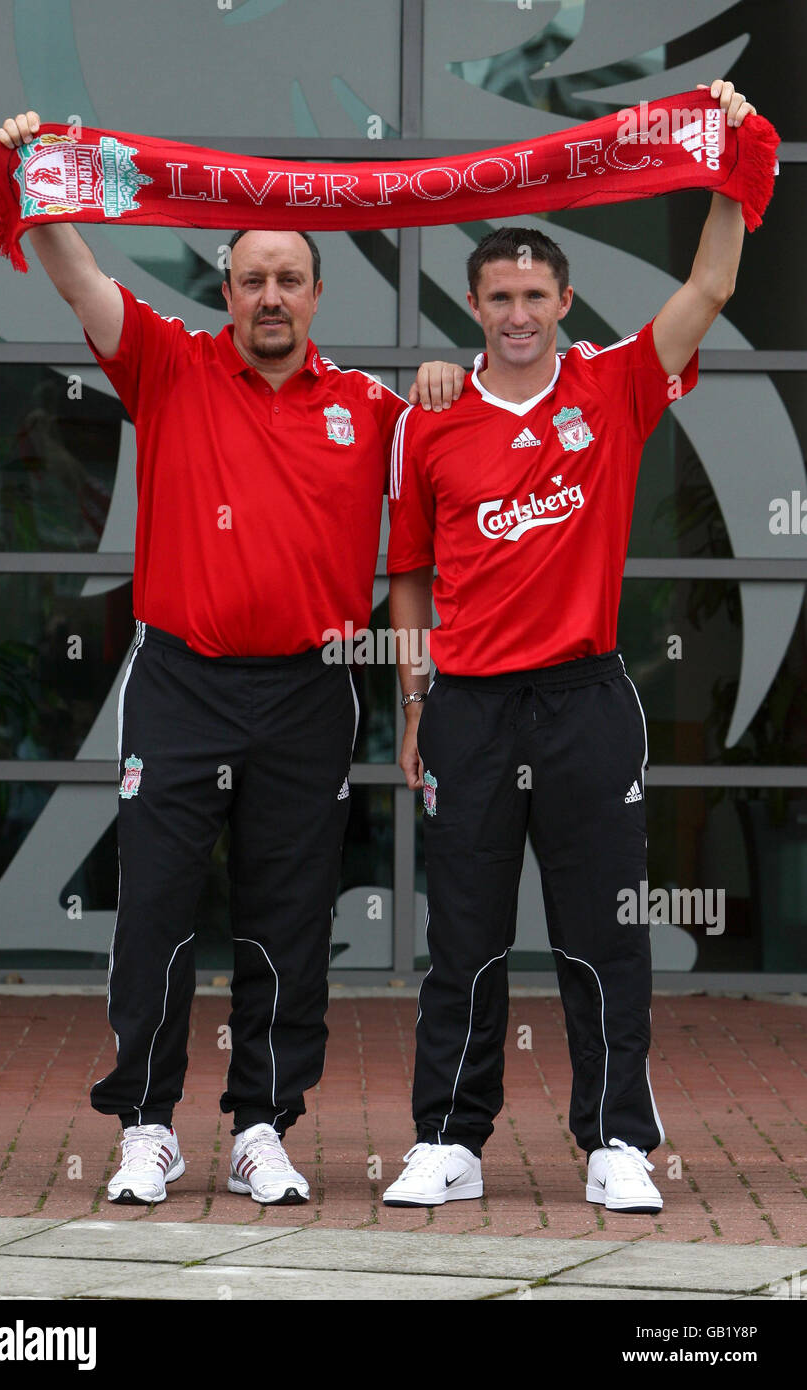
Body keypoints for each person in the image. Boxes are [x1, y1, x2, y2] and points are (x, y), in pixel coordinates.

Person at [0, 111, 464, 1208]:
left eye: (287, 279)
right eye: (250, 277)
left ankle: (262, 1124)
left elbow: (464, 450)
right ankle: (146, 1125)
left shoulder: (370, 409)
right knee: (155, 904)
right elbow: (74, 273)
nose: (268, 296)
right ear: (225, 293)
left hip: (310, 691)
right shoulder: (167, 367)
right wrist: (38, 171)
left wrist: (446, 378)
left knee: (289, 913)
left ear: (313, 297)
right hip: (180, 682)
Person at [383, 80, 757, 1212]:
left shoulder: (615, 383)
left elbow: (712, 283)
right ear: (472, 301)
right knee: (463, 935)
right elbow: (405, 578)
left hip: (587, 699)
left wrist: (732, 153)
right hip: (467, 707)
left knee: (604, 932)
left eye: (533, 293)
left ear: (564, 297)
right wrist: (411, 700)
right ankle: (448, 1139)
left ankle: (618, 1143)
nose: (515, 313)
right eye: (496, 294)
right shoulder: (428, 416)